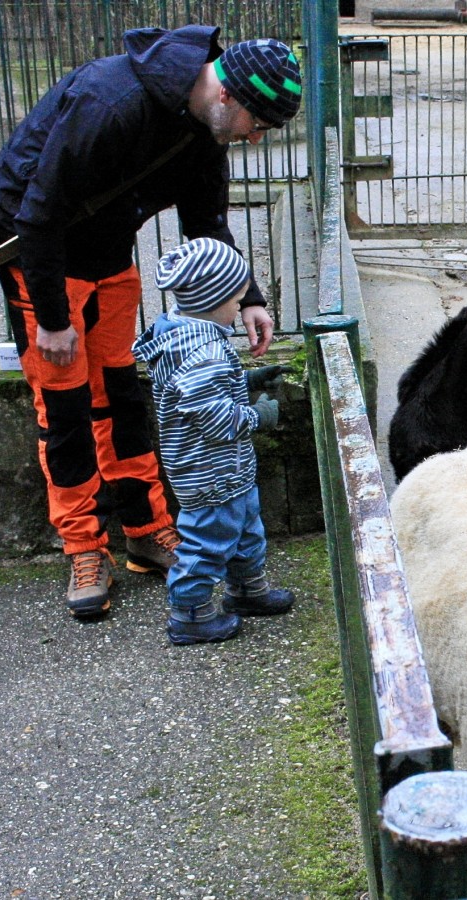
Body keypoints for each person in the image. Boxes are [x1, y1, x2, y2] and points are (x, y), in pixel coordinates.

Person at [0, 25, 301, 617]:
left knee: (123, 397)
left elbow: (206, 222)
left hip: (106, 257)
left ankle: (146, 530)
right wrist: (52, 320)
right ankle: (83, 546)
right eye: (258, 125)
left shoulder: (204, 131)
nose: (256, 139)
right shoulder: (110, 103)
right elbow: (40, 211)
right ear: (228, 96)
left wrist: (250, 295)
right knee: (66, 407)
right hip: (39, 258)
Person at [133, 238, 296, 645]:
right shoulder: (202, 351)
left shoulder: (191, 335)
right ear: (216, 298)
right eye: (238, 300)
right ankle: (190, 615)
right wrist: (260, 414)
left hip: (228, 470)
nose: (240, 308)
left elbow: (205, 393)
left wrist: (248, 380)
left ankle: (247, 592)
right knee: (206, 544)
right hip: (208, 471)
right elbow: (215, 417)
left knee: (245, 532)